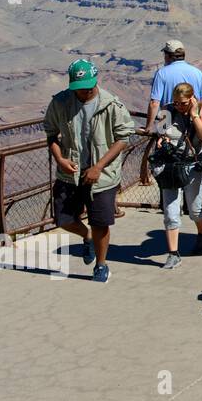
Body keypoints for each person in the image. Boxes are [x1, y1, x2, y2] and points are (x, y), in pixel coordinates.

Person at [43, 59, 135, 283]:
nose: (83, 92)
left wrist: (98, 166)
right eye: (78, 88)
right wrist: (60, 158)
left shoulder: (111, 104)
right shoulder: (61, 102)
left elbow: (124, 137)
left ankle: (101, 265)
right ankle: (87, 237)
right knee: (63, 219)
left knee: (100, 222)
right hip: (70, 172)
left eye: (87, 87)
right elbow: (51, 133)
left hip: (101, 175)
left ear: (95, 81)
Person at [141, 81, 202, 268]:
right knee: (171, 211)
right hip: (171, 166)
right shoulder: (167, 110)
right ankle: (173, 253)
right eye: (176, 103)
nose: (179, 106)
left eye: (183, 103)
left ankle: (201, 232)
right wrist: (161, 138)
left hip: (193, 166)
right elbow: (161, 131)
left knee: (195, 209)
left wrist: (194, 115)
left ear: (192, 99)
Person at [145, 39, 202, 136]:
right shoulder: (197, 72)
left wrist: (148, 127)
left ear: (168, 56)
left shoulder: (162, 73)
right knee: (193, 149)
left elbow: (154, 103)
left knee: (164, 148)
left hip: (167, 121)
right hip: (193, 122)